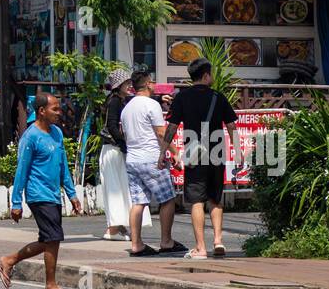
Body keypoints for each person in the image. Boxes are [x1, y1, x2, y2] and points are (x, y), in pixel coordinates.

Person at [0, 93, 81, 289]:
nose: (59, 113)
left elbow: (63, 167)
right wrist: (16, 202)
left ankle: (8, 260)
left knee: (49, 239)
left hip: (52, 194)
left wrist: (72, 194)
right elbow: (21, 171)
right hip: (37, 194)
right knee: (53, 238)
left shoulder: (57, 133)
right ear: (42, 111)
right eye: (55, 109)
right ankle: (50, 286)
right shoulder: (30, 137)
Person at [162, 57, 239, 259]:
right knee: (215, 198)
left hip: (194, 153)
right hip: (217, 153)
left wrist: (163, 152)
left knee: (196, 201)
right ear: (206, 75)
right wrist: (238, 152)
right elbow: (232, 126)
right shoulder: (218, 97)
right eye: (211, 74)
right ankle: (218, 241)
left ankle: (201, 248)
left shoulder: (182, 98)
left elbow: (171, 127)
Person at [121, 72, 185, 256]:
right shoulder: (152, 105)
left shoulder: (127, 108)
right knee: (167, 199)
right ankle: (166, 241)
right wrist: (174, 152)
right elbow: (160, 132)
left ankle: (136, 244)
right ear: (148, 84)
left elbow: (125, 134)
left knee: (138, 202)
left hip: (132, 159)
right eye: (153, 81)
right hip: (151, 159)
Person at [98, 68, 149, 242]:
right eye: (126, 83)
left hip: (116, 150)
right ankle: (112, 229)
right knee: (117, 189)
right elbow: (112, 126)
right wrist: (123, 144)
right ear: (118, 85)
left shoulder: (121, 100)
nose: (129, 86)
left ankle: (117, 227)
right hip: (114, 150)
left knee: (120, 188)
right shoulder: (114, 101)